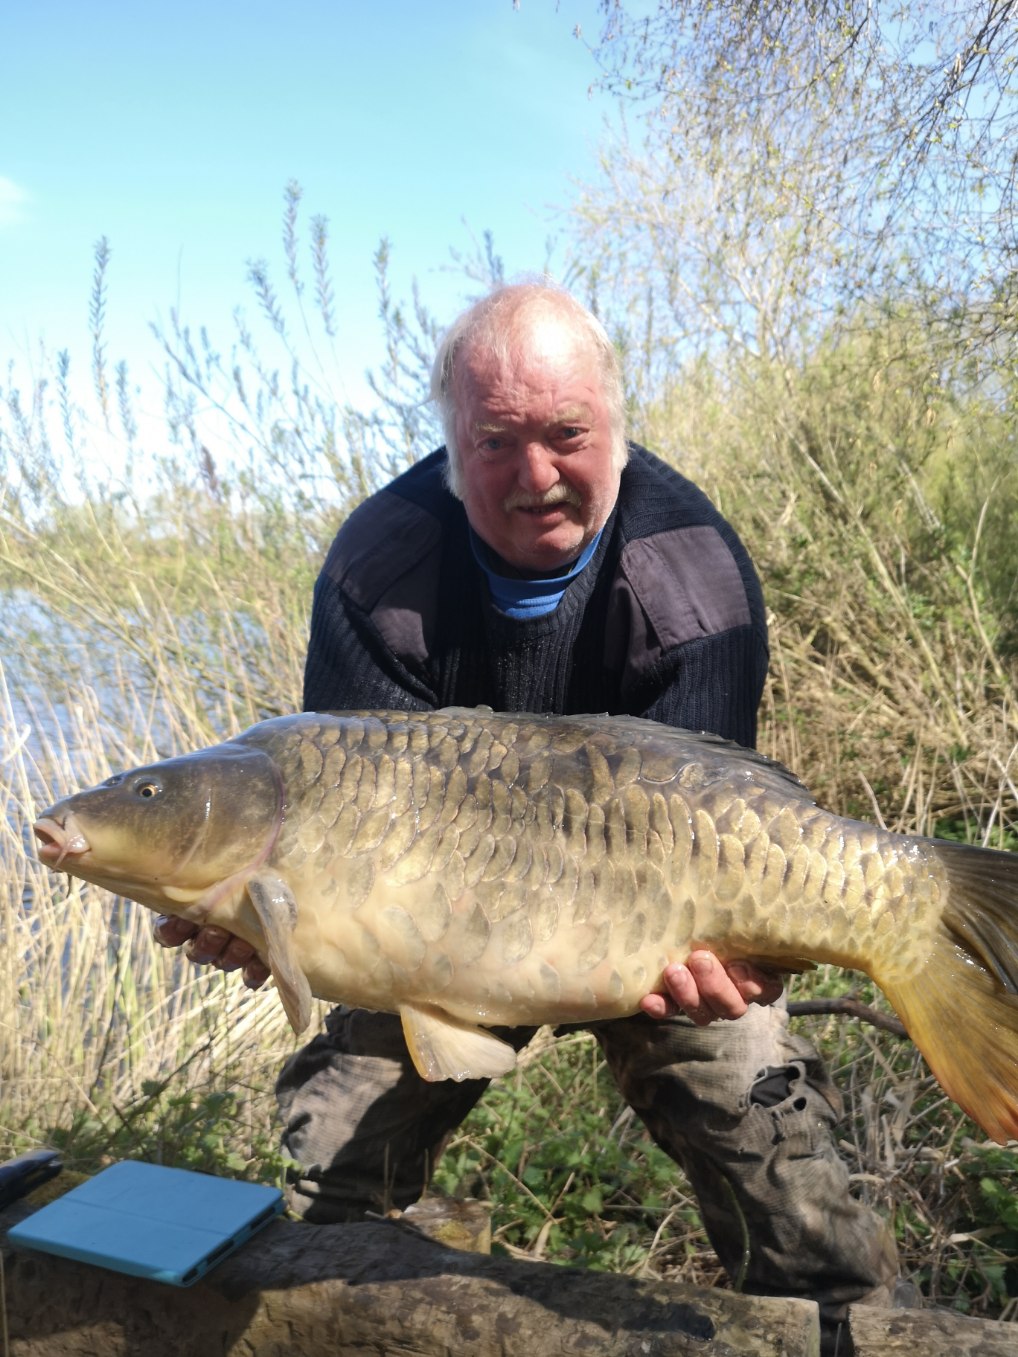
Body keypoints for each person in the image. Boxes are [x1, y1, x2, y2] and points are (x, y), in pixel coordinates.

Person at [157, 282, 902, 1350]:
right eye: (496, 441)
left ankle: (853, 1329)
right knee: (327, 1167)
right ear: (450, 445)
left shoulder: (692, 571)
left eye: (567, 434)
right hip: (432, 934)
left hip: (640, 923)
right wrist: (265, 922)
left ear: (618, 427)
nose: (536, 474)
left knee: (780, 1160)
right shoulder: (378, 572)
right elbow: (331, 844)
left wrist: (739, 960)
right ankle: (355, 1315)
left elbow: (718, 817)